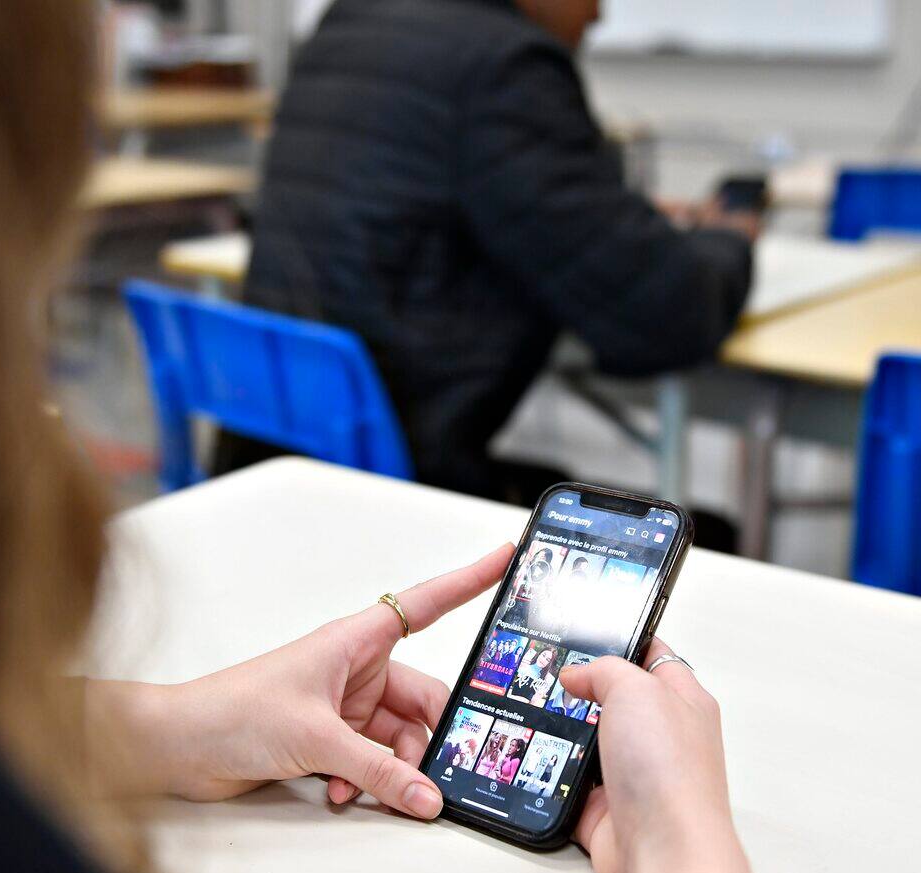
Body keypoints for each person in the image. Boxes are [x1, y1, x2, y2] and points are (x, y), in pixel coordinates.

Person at [0, 2, 768, 873]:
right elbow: (656, 308)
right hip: (405, 463)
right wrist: (690, 871)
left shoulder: (350, 25)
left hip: (276, 456)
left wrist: (165, 727)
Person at [218, 0, 758, 502]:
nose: (598, 14)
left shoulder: (350, 19)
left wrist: (612, 212)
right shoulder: (505, 67)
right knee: (701, 538)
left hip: (268, 466)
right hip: (385, 497)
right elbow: (667, 315)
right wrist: (731, 234)